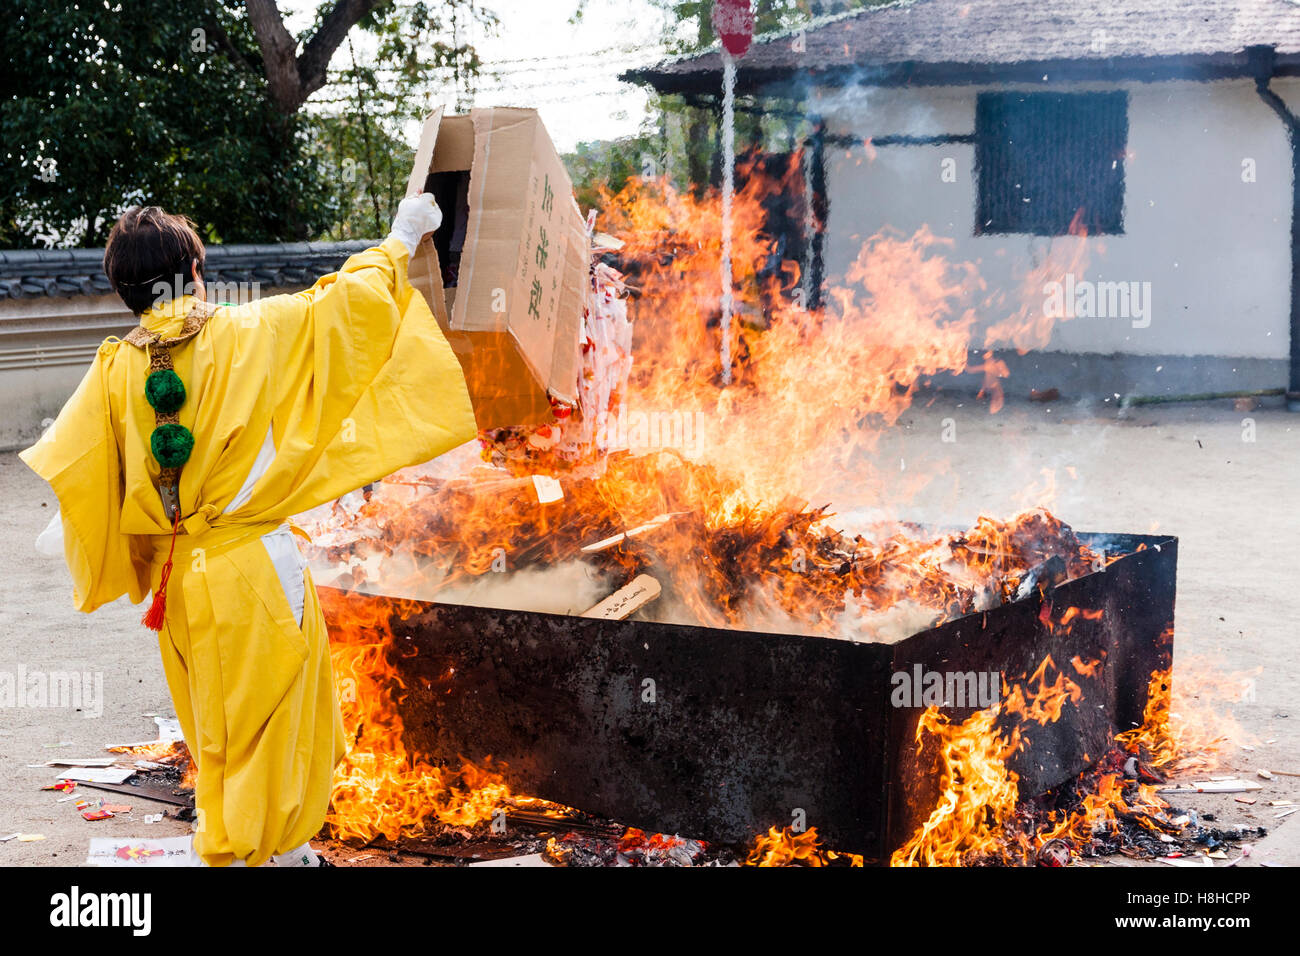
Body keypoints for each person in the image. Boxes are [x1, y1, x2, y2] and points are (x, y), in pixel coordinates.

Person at [21, 196, 477, 866]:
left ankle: (250, 844)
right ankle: (262, 851)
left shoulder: (115, 368)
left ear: (124, 291)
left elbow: (80, 473)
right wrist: (403, 234)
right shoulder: (248, 331)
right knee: (278, 712)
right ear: (195, 270)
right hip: (253, 565)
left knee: (214, 721)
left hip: (179, 582)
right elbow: (348, 308)